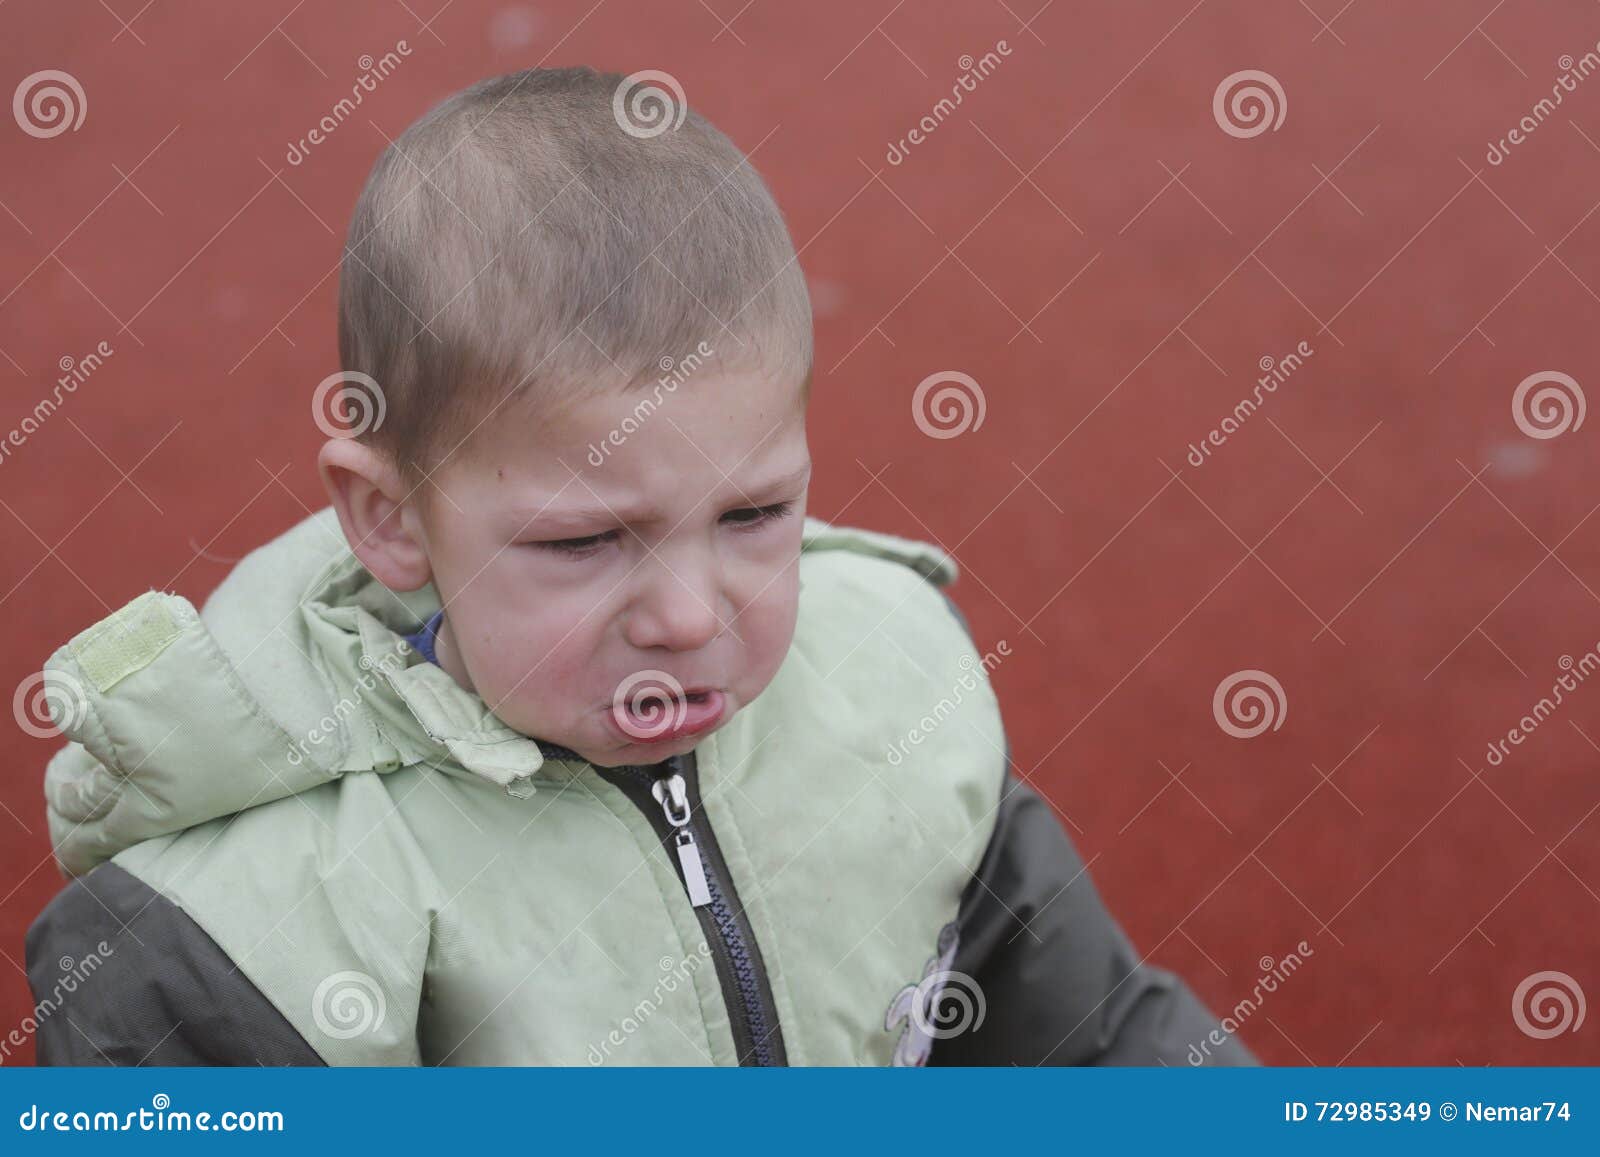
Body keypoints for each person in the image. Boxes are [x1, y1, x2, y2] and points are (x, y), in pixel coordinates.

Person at [24, 67, 1255, 1067]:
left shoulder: (891, 709)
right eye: (584, 539)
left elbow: (1086, 1045)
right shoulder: (254, 926)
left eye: (756, 512)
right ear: (390, 518)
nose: (686, 613)